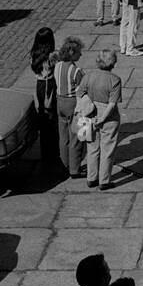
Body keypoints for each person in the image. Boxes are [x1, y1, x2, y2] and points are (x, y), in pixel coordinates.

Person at [76, 49, 123, 190]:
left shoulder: (88, 76)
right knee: (107, 149)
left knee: (92, 148)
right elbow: (112, 104)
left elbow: (79, 94)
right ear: (113, 63)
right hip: (108, 117)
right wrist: (102, 118)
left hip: (89, 113)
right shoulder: (115, 80)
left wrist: (85, 108)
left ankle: (91, 178)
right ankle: (104, 181)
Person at [54, 36, 87, 179]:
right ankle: (74, 169)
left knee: (63, 136)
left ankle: (64, 164)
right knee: (76, 137)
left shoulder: (58, 65)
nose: (81, 54)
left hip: (60, 102)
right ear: (72, 52)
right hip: (72, 103)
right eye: (79, 52)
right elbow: (83, 89)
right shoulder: (76, 70)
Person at [30, 27, 59, 169]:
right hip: (49, 85)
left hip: (39, 85)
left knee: (43, 115)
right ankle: (53, 152)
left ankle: (45, 151)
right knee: (51, 116)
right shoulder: (52, 56)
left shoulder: (34, 54)